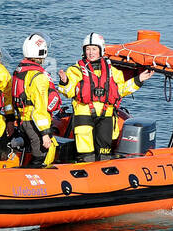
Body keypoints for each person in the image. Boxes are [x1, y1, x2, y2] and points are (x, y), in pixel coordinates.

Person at [59, 33, 153, 162]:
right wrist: (64, 82)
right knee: (86, 155)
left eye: (94, 49)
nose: (91, 53)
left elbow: (121, 90)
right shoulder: (75, 71)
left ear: (101, 50)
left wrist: (138, 80)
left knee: (104, 153)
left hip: (106, 116)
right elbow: (68, 92)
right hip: (83, 115)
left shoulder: (113, 72)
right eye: (88, 49)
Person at [11, 33, 64, 167]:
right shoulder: (39, 77)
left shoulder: (20, 70)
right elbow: (39, 109)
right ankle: (35, 177)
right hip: (33, 123)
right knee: (44, 152)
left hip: (23, 120)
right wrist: (45, 133)